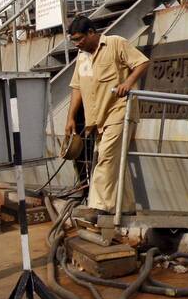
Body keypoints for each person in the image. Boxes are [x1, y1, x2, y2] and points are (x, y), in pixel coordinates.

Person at [63, 16, 149, 219]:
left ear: (91, 33)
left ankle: (98, 206)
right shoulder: (82, 57)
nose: (77, 44)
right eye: (73, 41)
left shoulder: (115, 43)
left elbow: (142, 62)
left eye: (79, 39)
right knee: (114, 160)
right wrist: (71, 118)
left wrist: (127, 83)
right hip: (98, 118)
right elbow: (77, 87)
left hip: (119, 112)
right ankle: (125, 205)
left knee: (106, 156)